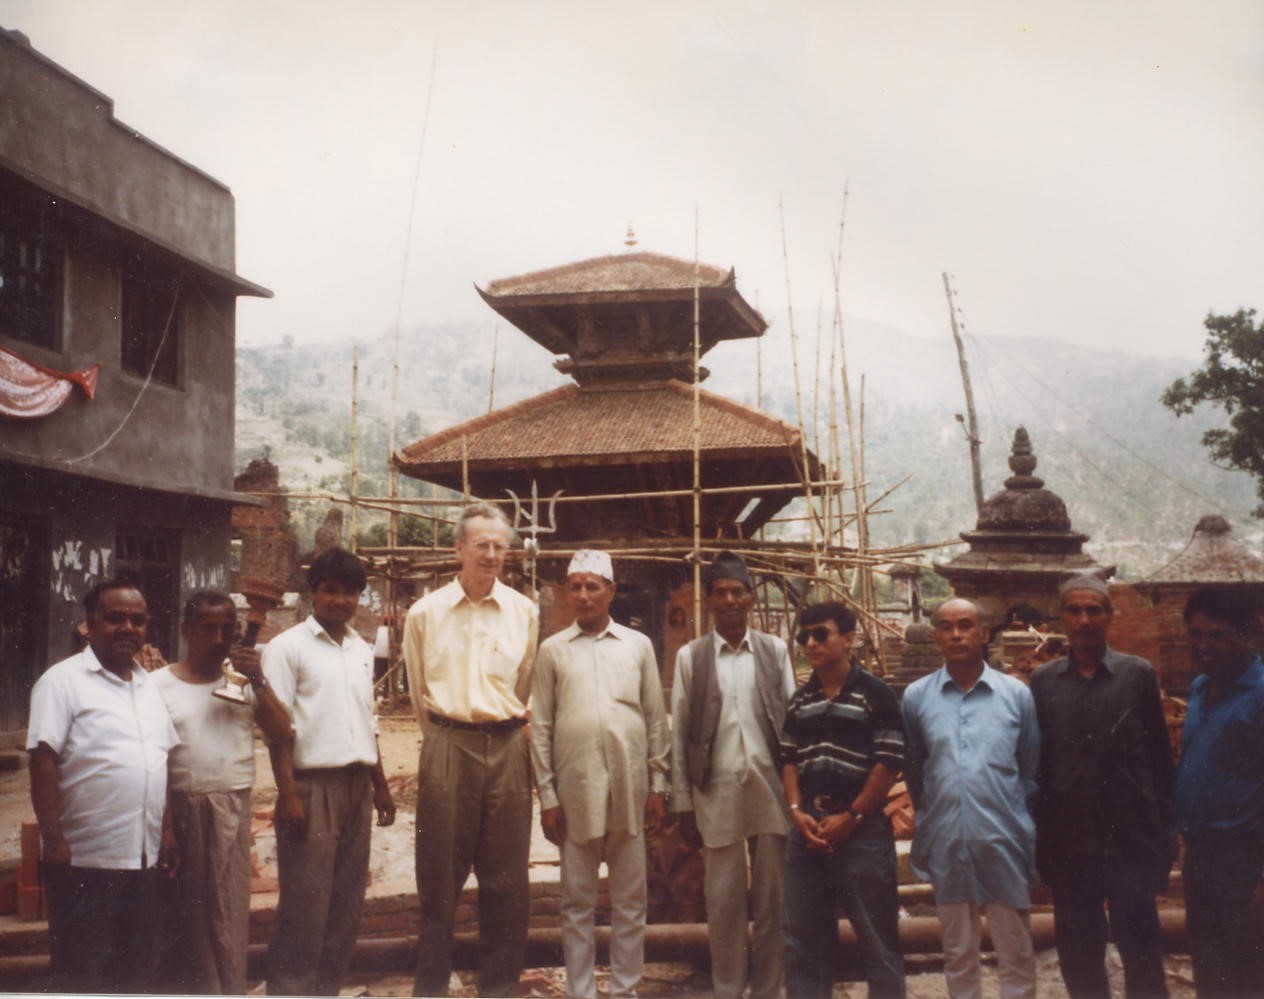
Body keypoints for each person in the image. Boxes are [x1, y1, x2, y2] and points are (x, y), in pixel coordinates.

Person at [403, 502, 538, 997]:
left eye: (500, 546)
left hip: (506, 748)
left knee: (506, 880)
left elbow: (522, 685)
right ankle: (431, 988)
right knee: (438, 878)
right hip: (446, 744)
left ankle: (499, 988)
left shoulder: (524, 612)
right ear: (458, 548)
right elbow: (419, 690)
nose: (490, 554)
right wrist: (446, 734)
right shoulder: (425, 614)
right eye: (480, 545)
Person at [26, 580, 180, 993]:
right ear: (90, 625)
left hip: (142, 859)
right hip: (85, 859)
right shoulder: (62, 682)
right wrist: (53, 841)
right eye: (115, 618)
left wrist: (165, 832)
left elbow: (158, 761)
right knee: (83, 972)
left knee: (135, 970)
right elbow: (42, 761)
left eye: (137, 620)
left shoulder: (148, 685)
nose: (127, 627)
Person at [530, 549, 670, 999]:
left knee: (631, 903)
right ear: (566, 593)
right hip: (575, 797)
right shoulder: (552, 651)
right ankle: (581, 992)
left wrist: (659, 785)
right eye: (576, 586)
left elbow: (654, 718)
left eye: (594, 586)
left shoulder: (638, 646)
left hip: (630, 792)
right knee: (576, 904)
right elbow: (542, 729)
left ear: (611, 591)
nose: (585, 595)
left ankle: (626, 989)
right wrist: (548, 798)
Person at [1029, 572, 1174, 999]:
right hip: (1070, 839)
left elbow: (1160, 762)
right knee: (1078, 948)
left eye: (1094, 610)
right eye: (1074, 610)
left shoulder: (1137, 675)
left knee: (1141, 942)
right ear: (1061, 618)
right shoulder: (1043, 682)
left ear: (1109, 616)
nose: (1084, 619)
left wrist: (1164, 835)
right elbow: (1039, 764)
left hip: (1129, 837)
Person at [262, 547, 396, 996]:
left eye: (350, 592)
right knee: (306, 906)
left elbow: (366, 721)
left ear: (361, 595)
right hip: (311, 787)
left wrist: (381, 786)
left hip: (358, 785)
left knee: (345, 907)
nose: (340, 600)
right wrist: (289, 793)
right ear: (313, 592)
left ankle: (327, 990)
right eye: (331, 590)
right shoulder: (288, 648)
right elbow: (276, 730)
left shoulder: (360, 649)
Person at [151, 589, 292, 995]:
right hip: (176, 807)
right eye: (207, 628)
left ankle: (226, 990)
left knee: (227, 913)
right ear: (185, 630)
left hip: (231, 805)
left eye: (226, 630)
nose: (217, 639)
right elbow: (153, 761)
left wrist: (259, 680)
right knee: (181, 917)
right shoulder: (157, 685)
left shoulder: (243, 681)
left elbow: (282, 734)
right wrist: (165, 828)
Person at [670, 550, 796, 999]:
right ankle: (728, 989)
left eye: (737, 591)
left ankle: (768, 989)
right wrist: (682, 802)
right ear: (709, 600)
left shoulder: (774, 651)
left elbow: (792, 727)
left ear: (750, 599)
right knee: (723, 903)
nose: (729, 600)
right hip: (715, 791)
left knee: (772, 901)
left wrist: (795, 797)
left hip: (770, 792)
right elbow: (680, 731)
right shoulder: (692, 657)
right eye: (720, 592)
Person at [902, 598, 1040, 999]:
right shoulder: (916, 697)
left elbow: (1029, 768)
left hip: (1003, 836)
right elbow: (916, 768)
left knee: (1014, 946)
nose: (956, 634)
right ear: (936, 636)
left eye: (965, 625)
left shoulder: (1016, 695)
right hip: (946, 839)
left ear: (984, 634)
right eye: (946, 626)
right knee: (958, 950)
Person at [780, 601, 905, 999]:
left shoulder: (876, 694)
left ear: (849, 639)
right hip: (809, 832)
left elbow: (888, 763)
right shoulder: (800, 700)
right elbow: (788, 760)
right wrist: (797, 812)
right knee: (804, 943)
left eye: (821, 634)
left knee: (878, 942)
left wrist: (852, 815)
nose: (810, 643)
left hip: (863, 833)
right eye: (804, 636)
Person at [1173, 586, 1264, 997]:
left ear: (1247, 634)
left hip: (1244, 861)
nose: (1203, 645)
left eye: (1216, 635)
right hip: (1201, 857)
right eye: (1196, 634)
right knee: (1208, 966)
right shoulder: (1199, 688)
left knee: (1246, 971)